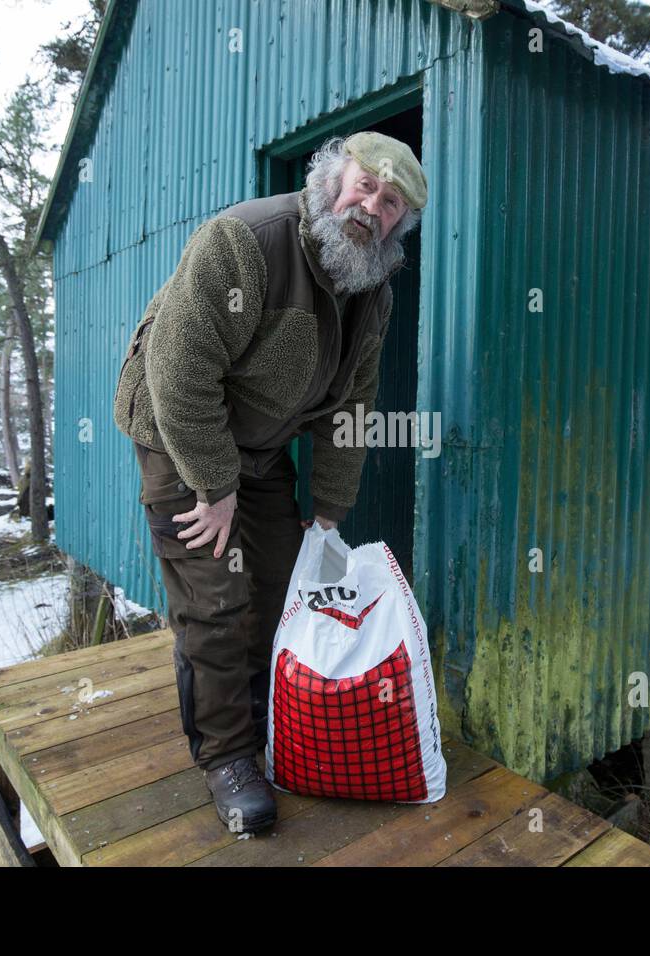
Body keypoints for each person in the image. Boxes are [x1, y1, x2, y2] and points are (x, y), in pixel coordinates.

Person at [111, 131, 427, 833]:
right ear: (331, 178)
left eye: (391, 201)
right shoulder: (246, 240)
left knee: (285, 586)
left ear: (399, 221)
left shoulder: (371, 287)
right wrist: (213, 485)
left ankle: (257, 718)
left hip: (256, 446)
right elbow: (178, 368)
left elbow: (353, 403)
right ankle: (226, 756)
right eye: (364, 184)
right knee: (216, 594)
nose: (370, 205)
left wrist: (329, 511)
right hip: (175, 428)